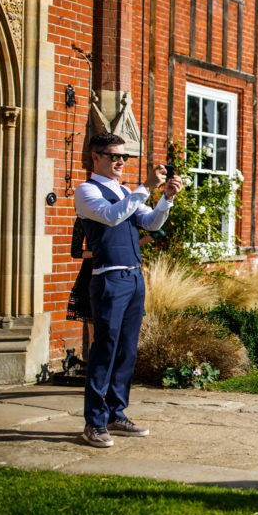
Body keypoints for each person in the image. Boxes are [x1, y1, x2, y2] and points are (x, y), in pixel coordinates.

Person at [74, 132, 183, 448]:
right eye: (114, 156)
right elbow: (111, 217)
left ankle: (116, 414)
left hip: (134, 278)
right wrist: (146, 186)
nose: (121, 161)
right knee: (105, 349)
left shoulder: (124, 190)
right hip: (109, 278)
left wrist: (166, 199)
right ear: (96, 157)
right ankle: (95, 422)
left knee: (127, 351)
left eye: (125, 156)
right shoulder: (86, 191)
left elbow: (150, 223)